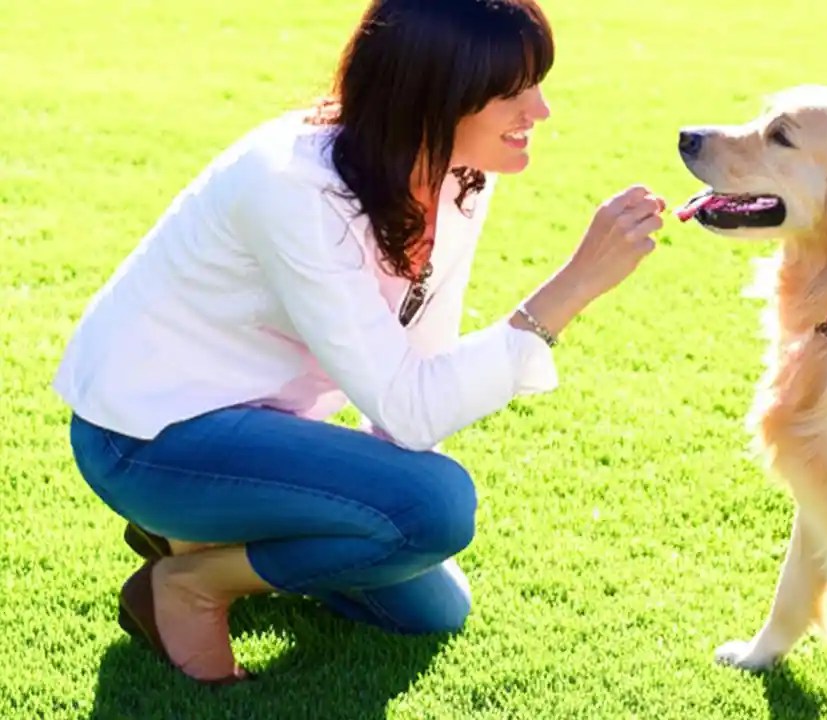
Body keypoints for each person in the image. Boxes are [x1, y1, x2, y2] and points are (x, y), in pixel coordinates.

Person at [53, 0, 664, 685]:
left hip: (259, 427)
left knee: (432, 606)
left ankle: (198, 536)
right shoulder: (292, 187)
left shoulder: (458, 169)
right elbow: (412, 405)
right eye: (511, 92)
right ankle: (193, 584)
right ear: (434, 94)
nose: (541, 111)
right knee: (437, 507)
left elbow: (420, 366)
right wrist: (574, 286)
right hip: (145, 434)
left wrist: (390, 497)